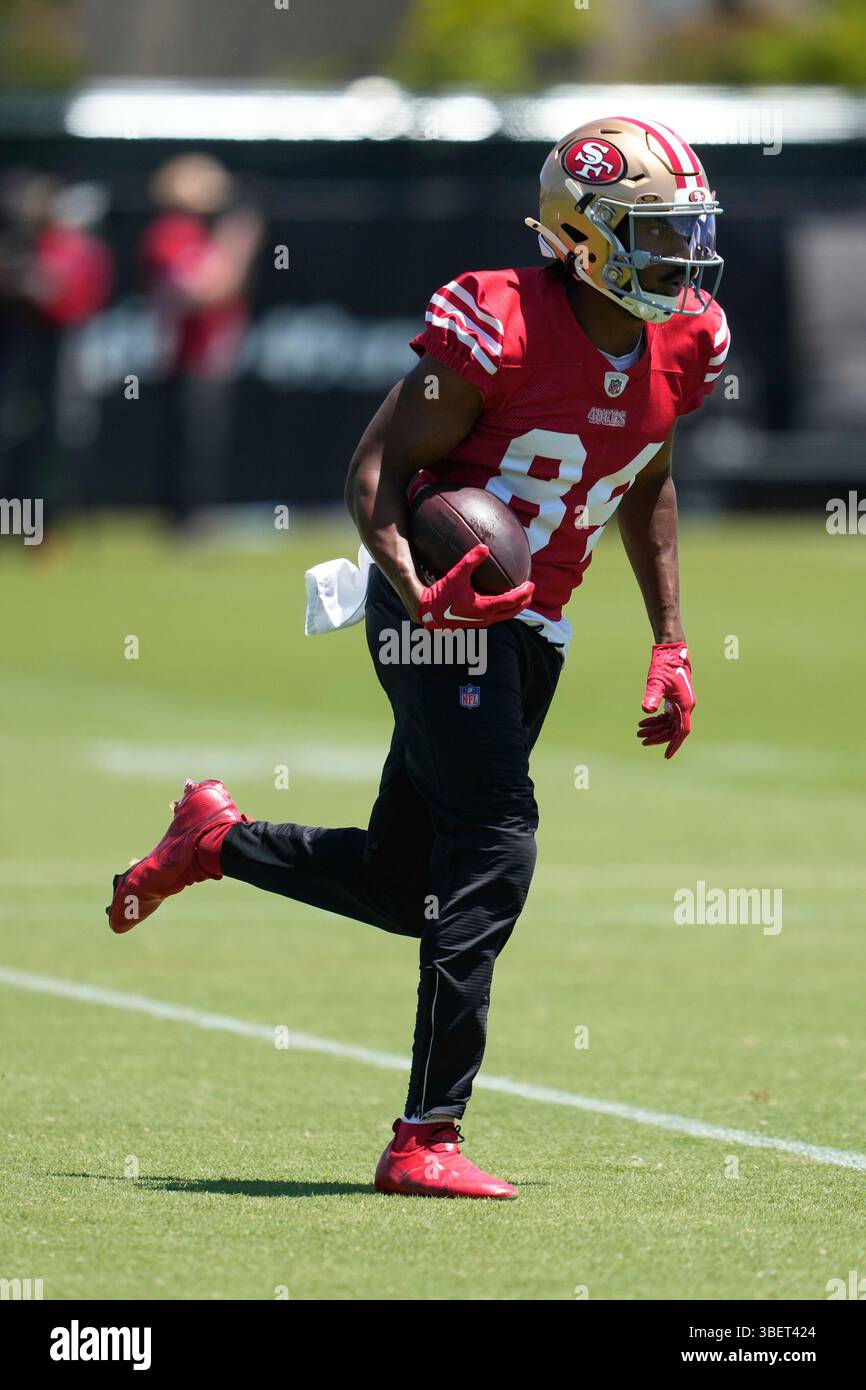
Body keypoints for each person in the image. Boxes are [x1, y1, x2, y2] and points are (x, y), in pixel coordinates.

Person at [107, 117, 730, 1200]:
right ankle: (423, 1136)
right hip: (429, 605)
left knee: (408, 881)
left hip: (533, 621)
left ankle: (217, 839)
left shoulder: (684, 338)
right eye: (652, 233)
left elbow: (648, 472)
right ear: (581, 237)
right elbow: (373, 472)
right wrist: (413, 590)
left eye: (684, 232)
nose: (678, 258)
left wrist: (668, 638)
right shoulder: (499, 319)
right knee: (494, 837)